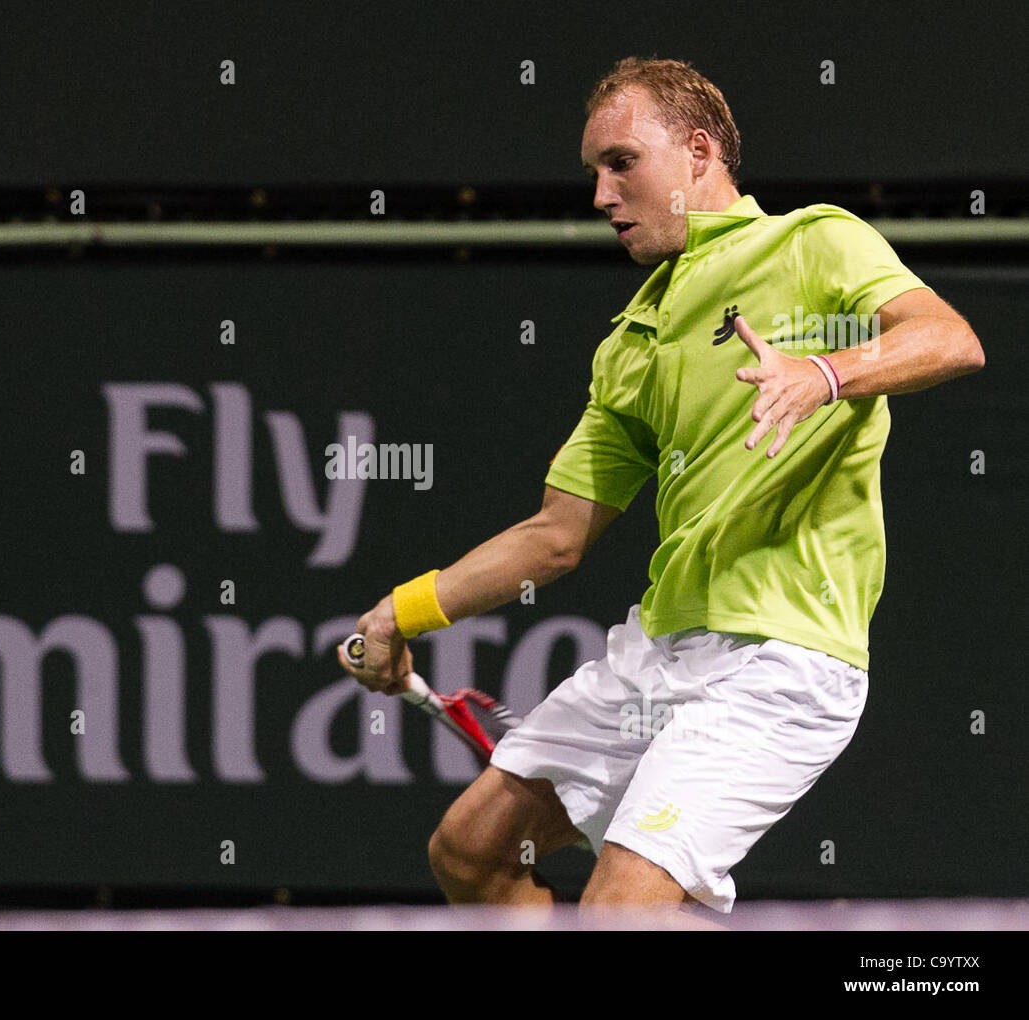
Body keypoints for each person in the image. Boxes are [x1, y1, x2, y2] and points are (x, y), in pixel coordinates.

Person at [337, 56, 984, 917]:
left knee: (621, 907)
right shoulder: (632, 341)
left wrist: (824, 373)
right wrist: (399, 612)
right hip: (661, 650)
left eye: (622, 163)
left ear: (700, 151)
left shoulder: (812, 242)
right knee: (469, 853)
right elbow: (554, 538)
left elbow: (950, 338)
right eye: (593, 172)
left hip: (782, 663)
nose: (601, 195)